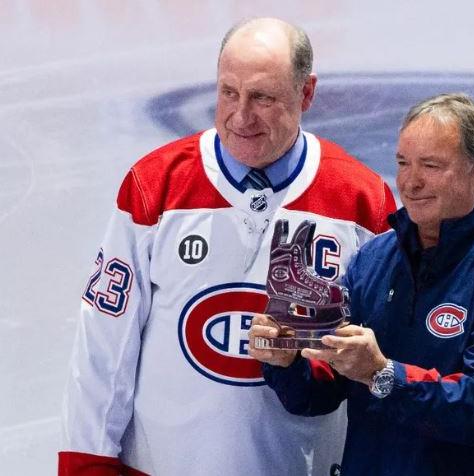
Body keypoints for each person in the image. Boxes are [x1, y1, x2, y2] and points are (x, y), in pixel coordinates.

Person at [59, 18, 395, 475]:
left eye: (262, 97)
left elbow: (374, 362)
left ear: (307, 93)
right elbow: (105, 344)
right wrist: (87, 462)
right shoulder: (155, 186)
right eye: (228, 92)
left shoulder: (360, 200)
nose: (240, 116)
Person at [250, 93, 474, 476]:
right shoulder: (374, 259)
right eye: (402, 163)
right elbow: (320, 394)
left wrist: (382, 374)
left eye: (431, 165)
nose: (411, 182)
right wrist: (287, 361)